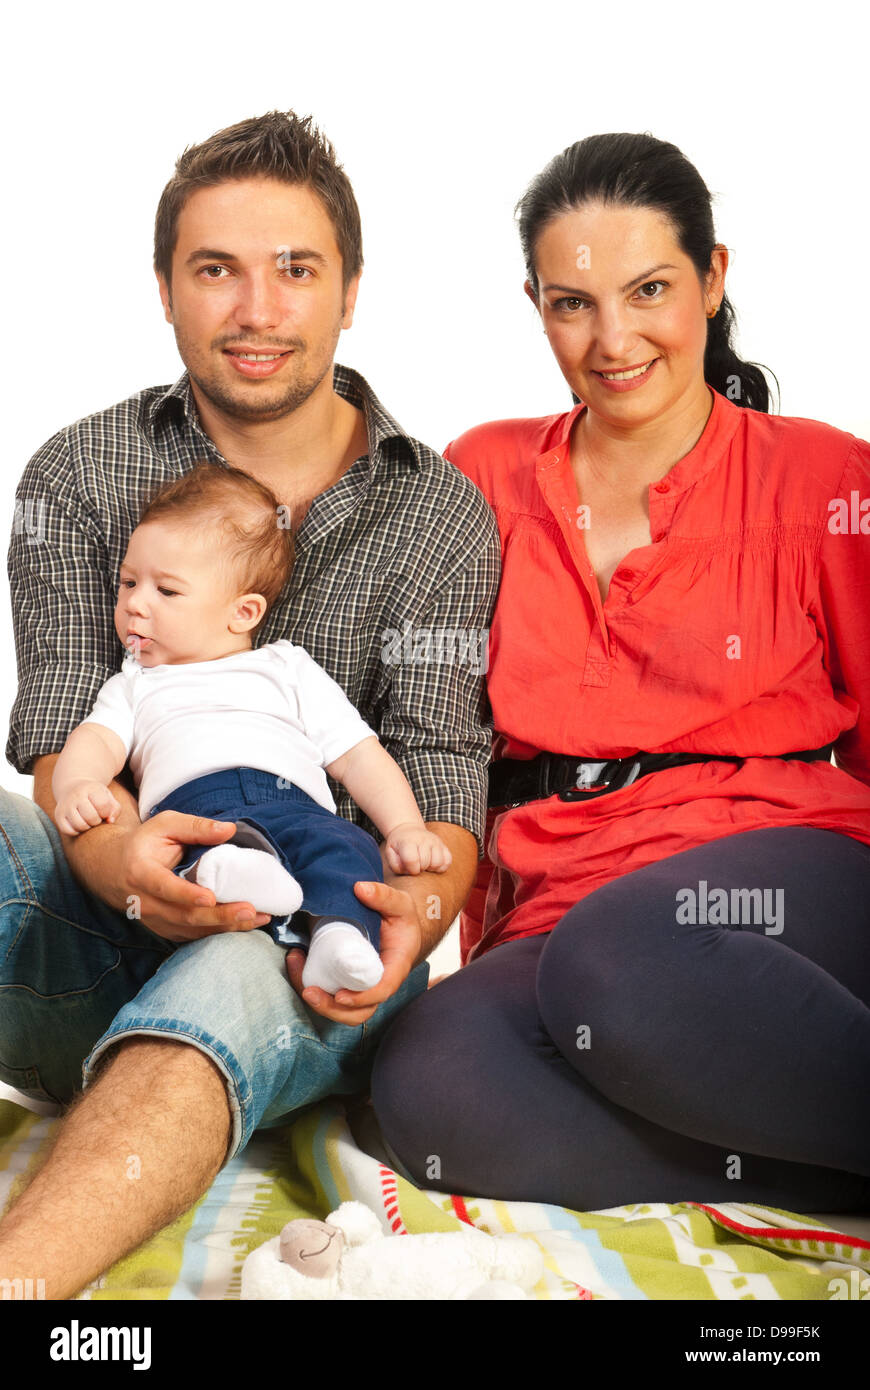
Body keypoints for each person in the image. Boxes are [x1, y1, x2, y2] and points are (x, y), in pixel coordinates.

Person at [0, 110, 500, 1299]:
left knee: (242, 965)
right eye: (216, 268)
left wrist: (398, 930)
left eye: (296, 269)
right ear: (166, 289)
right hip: (99, 912)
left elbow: (435, 777)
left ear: (351, 290)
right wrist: (131, 864)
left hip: (313, 939)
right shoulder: (78, 474)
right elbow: (65, 736)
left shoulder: (439, 518)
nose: (258, 309)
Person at [372, 132, 870, 1215]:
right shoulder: (486, 474)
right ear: (534, 303)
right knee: (429, 1087)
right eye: (571, 303)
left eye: (649, 290)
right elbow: (425, 726)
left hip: (789, 878)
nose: (612, 339)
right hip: (561, 899)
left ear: (714, 278)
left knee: (630, 954)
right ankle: (813, 1170)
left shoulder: (825, 477)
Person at [51, 460, 454, 996]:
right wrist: (77, 786)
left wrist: (404, 827)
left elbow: (359, 755)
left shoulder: (287, 668)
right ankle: (229, 875)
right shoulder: (135, 684)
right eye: (128, 582)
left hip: (300, 808)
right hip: (196, 810)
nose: (134, 604)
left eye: (166, 591)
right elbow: (95, 741)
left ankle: (337, 940)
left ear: (243, 613)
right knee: (193, 853)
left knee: (350, 854)